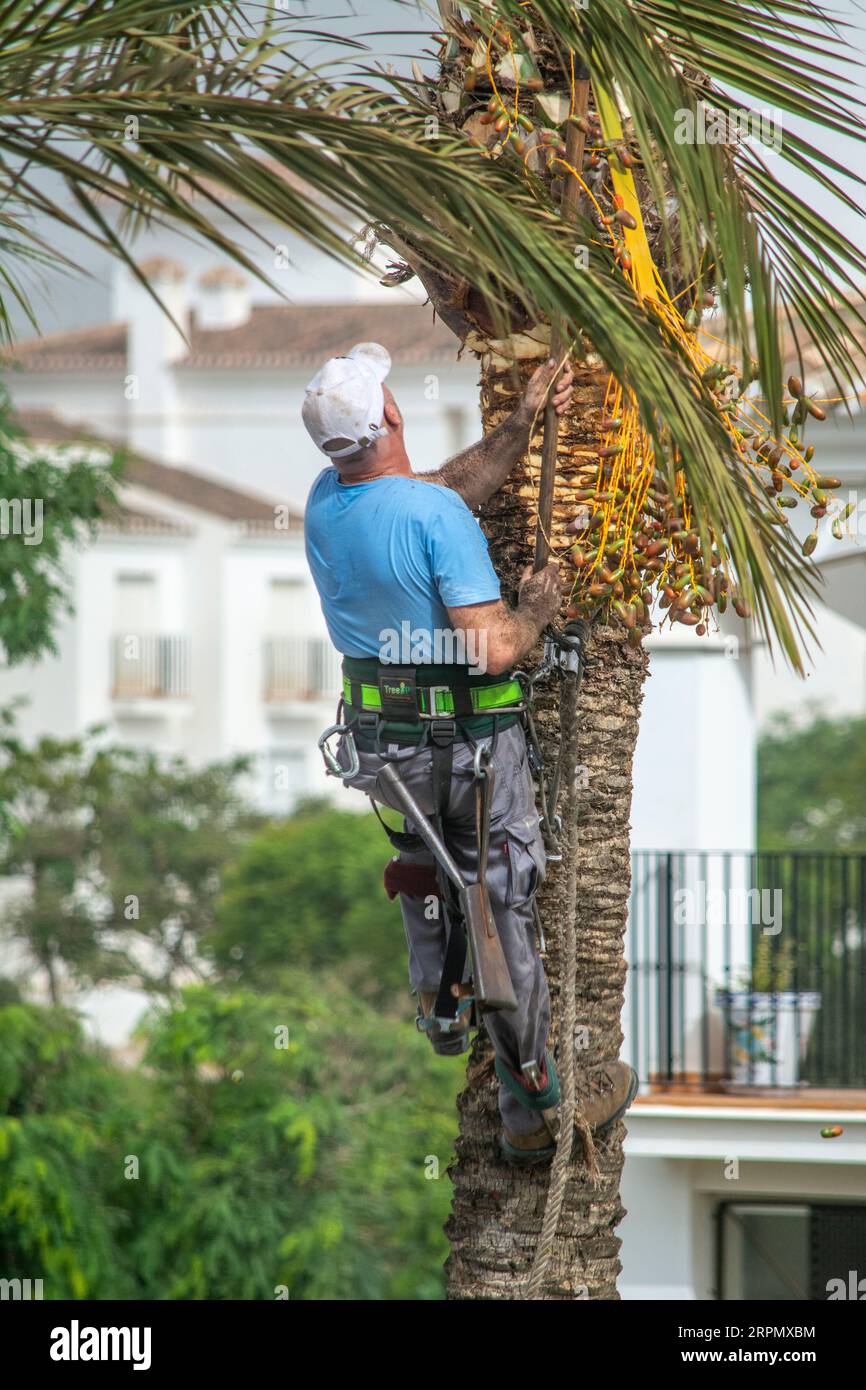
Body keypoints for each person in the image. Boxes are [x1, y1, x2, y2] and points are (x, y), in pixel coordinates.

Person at [303, 341, 637, 1164]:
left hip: (390, 751)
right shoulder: (432, 519)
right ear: (390, 415)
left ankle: (443, 1011)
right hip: (469, 754)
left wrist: (521, 424)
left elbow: (433, 496)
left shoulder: (328, 499)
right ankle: (537, 1110)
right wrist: (534, 613)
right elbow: (488, 651)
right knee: (498, 903)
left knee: (427, 871)